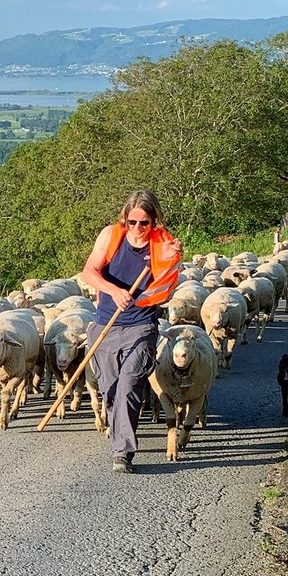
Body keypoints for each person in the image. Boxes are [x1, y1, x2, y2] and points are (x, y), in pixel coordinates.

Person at [78, 190, 182, 474]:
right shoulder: (111, 235)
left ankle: (122, 452)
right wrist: (114, 290)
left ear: (154, 221)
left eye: (144, 223)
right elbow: (88, 272)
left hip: (141, 325)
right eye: (132, 222)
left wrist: (174, 260)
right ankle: (120, 437)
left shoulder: (163, 246)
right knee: (110, 392)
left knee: (128, 386)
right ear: (124, 219)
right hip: (106, 324)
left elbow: (167, 287)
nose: (137, 228)